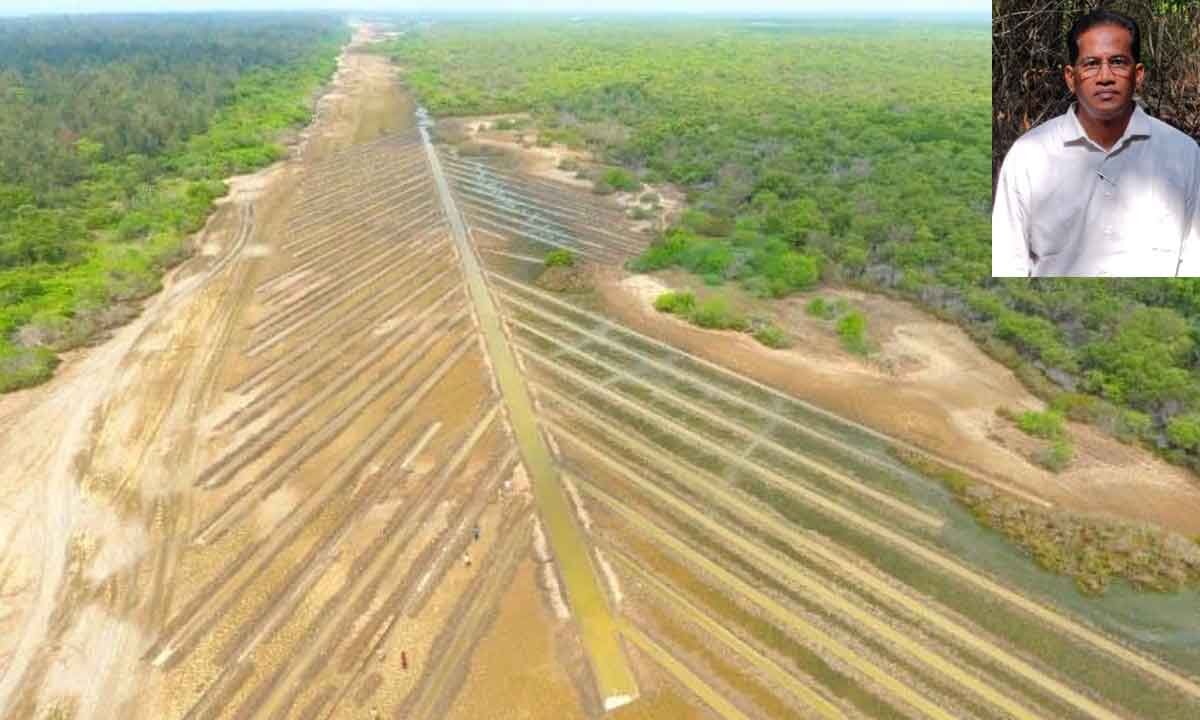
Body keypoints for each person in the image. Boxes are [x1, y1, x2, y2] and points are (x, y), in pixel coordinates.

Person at [992, 9, 1200, 277]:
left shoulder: (1182, 154)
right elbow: (1008, 262)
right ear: (1070, 77)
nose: (1105, 76)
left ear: (1138, 75)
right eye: (1091, 64)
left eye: (1117, 62)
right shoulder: (1030, 156)